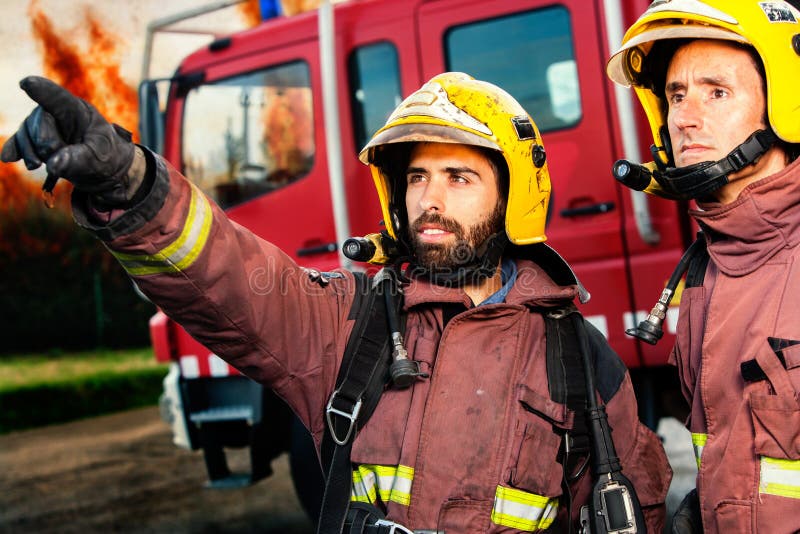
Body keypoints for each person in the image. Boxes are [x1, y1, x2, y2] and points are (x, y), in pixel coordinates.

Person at [1, 72, 670, 532]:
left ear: (515, 197)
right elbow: (226, 272)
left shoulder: (582, 365)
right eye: (416, 178)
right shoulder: (348, 325)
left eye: (459, 177)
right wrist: (129, 183)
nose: (429, 202)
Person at [606, 0, 800, 532]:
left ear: (785, 101)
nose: (685, 118)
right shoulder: (707, 268)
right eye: (676, 95)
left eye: (716, 92)